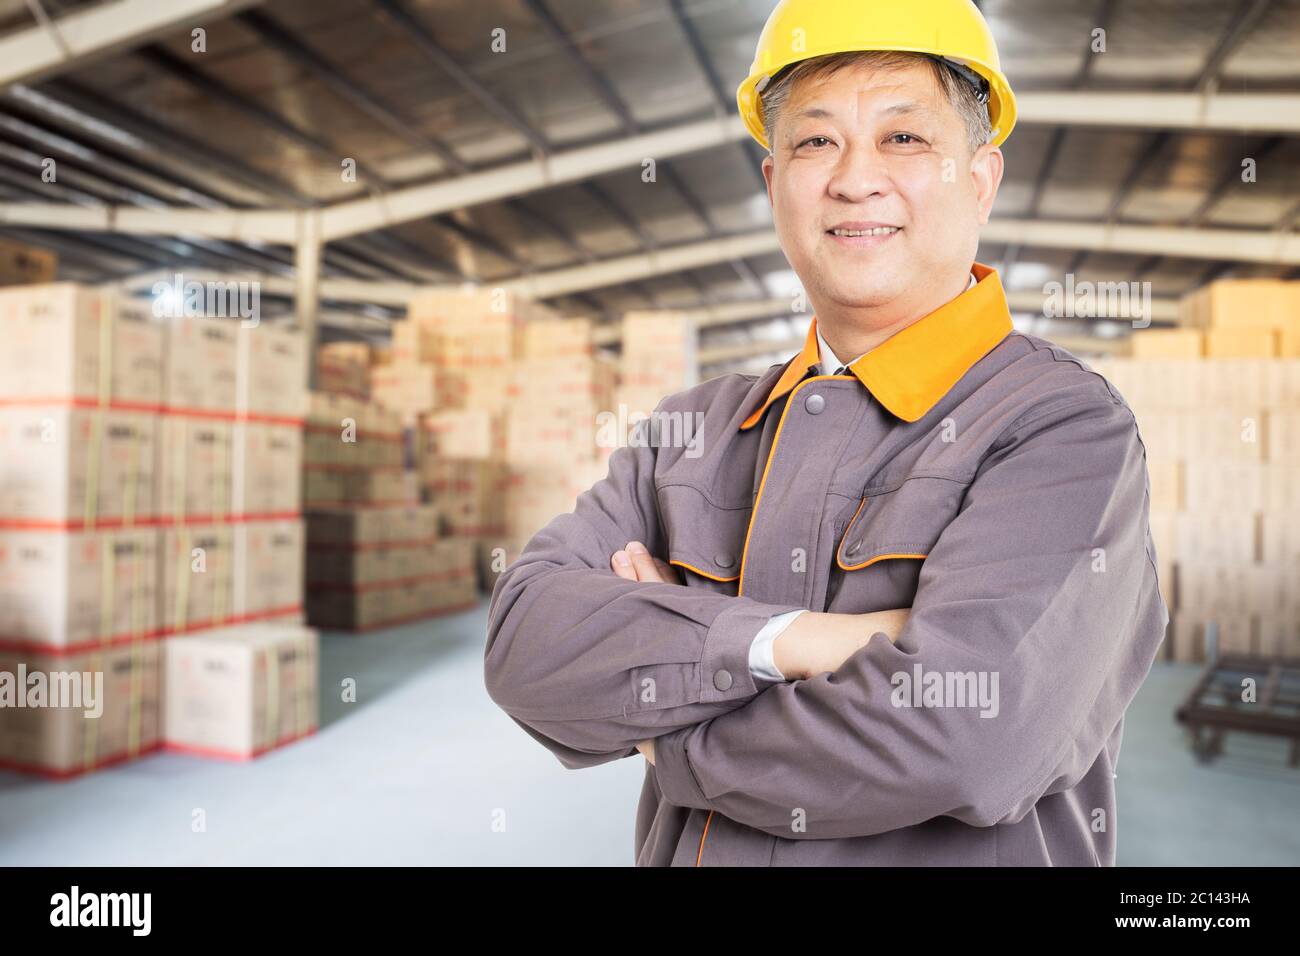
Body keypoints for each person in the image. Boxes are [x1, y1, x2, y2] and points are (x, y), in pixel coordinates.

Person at [484, 0, 1168, 866]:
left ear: (982, 179)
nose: (854, 179)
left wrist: (666, 725)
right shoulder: (693, 430)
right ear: (774, 185)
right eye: (815, 143)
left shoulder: (1062, 429)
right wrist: (801, 641)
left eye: (904, 139)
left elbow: (972, 735)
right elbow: (525, 648)